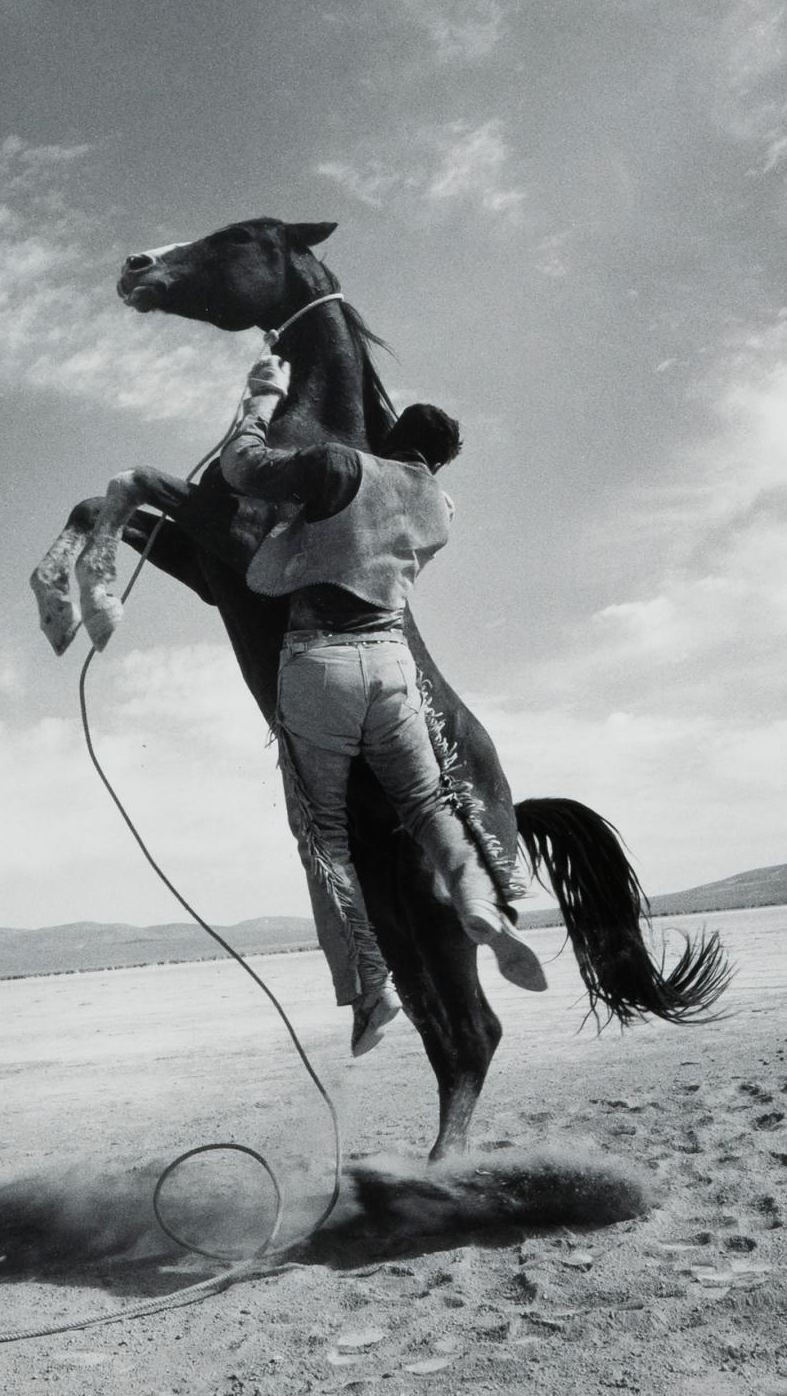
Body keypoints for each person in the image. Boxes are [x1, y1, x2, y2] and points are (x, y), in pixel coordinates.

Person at [220, 356, 547, 1058]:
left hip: (320, 662)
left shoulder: (342, 466)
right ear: (441, 462)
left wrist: (261, 397)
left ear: (392, 433)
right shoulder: (441, 509)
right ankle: (482, 907)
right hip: (392, 664)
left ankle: (371, 987)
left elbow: (243, 469)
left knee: (325, 838)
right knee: (431, 806)